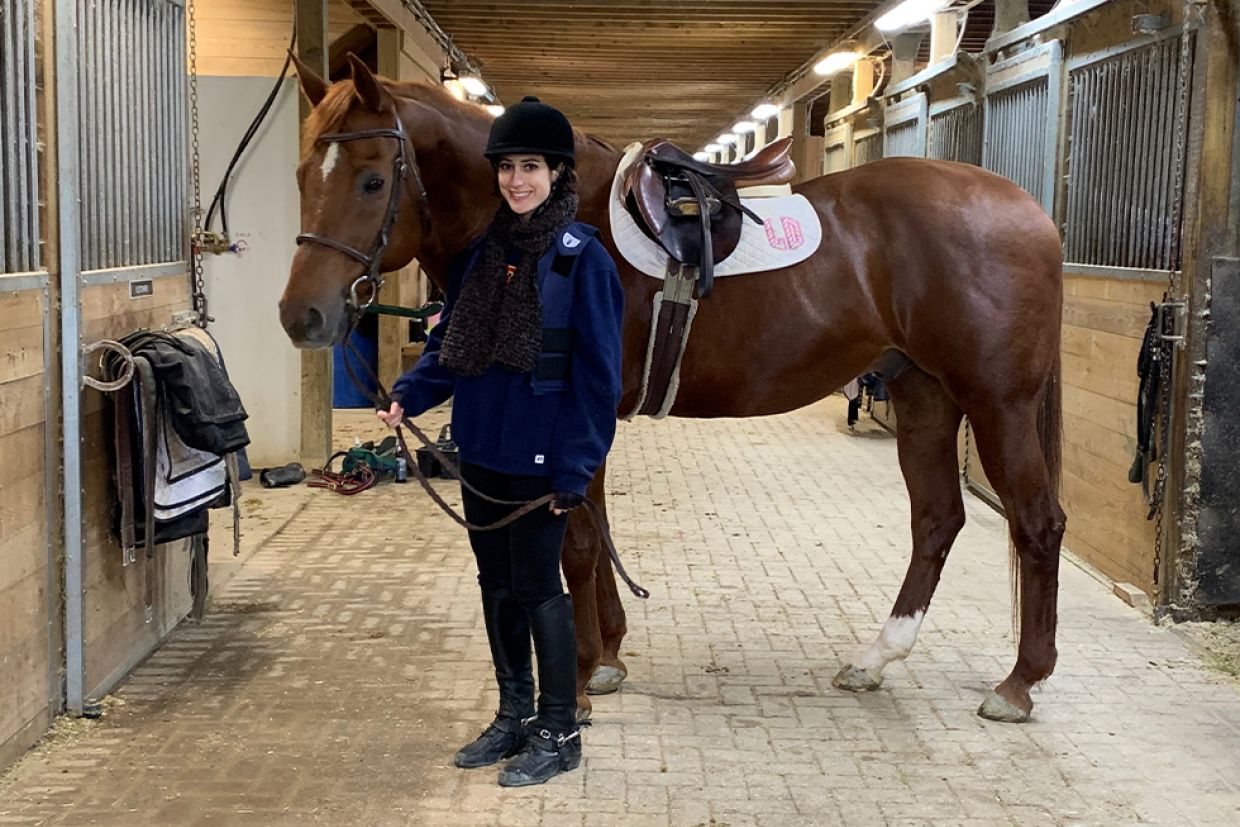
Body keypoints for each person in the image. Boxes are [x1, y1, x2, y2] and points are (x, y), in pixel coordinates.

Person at [377, 96, 624, 787]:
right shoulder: (482, 254)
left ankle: (559, 727)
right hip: (482, 451)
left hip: (545, 461)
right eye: (509, 167)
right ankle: (514, 712)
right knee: (496, 587)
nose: (518, 180)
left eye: (532, 168)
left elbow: (599, 382)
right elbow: (451, 346)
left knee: (540, 588)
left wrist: (577, 467)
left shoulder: (584, 261)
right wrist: (408, 393)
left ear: (557, 174)